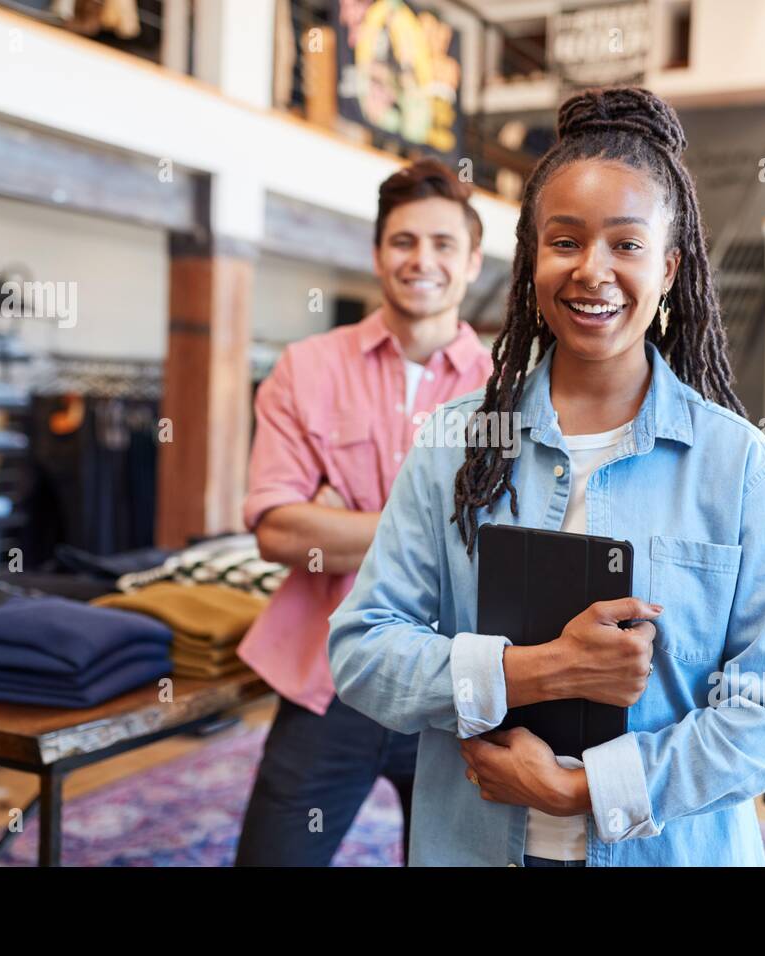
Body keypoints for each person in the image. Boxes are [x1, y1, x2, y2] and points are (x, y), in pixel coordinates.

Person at [328, 87, 765, 867]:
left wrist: (593, 790)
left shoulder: (737, 466)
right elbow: (363, 651)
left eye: (626, 245)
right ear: (533, 257)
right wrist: (535, 671)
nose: (592, 271)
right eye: (565, 241)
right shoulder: (459, 444)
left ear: (669, 267)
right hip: (473, 845)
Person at [233, 159, 493, 866]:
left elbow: (507, 545)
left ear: (473, 261)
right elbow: (279, 530)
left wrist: (346, 524)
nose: (422, 260)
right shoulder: (306, 367)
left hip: (457, 687)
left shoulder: (511, 392)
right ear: (378, 253)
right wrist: (430, 527)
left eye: (444, 244)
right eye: (404, 241)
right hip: (332, 678)